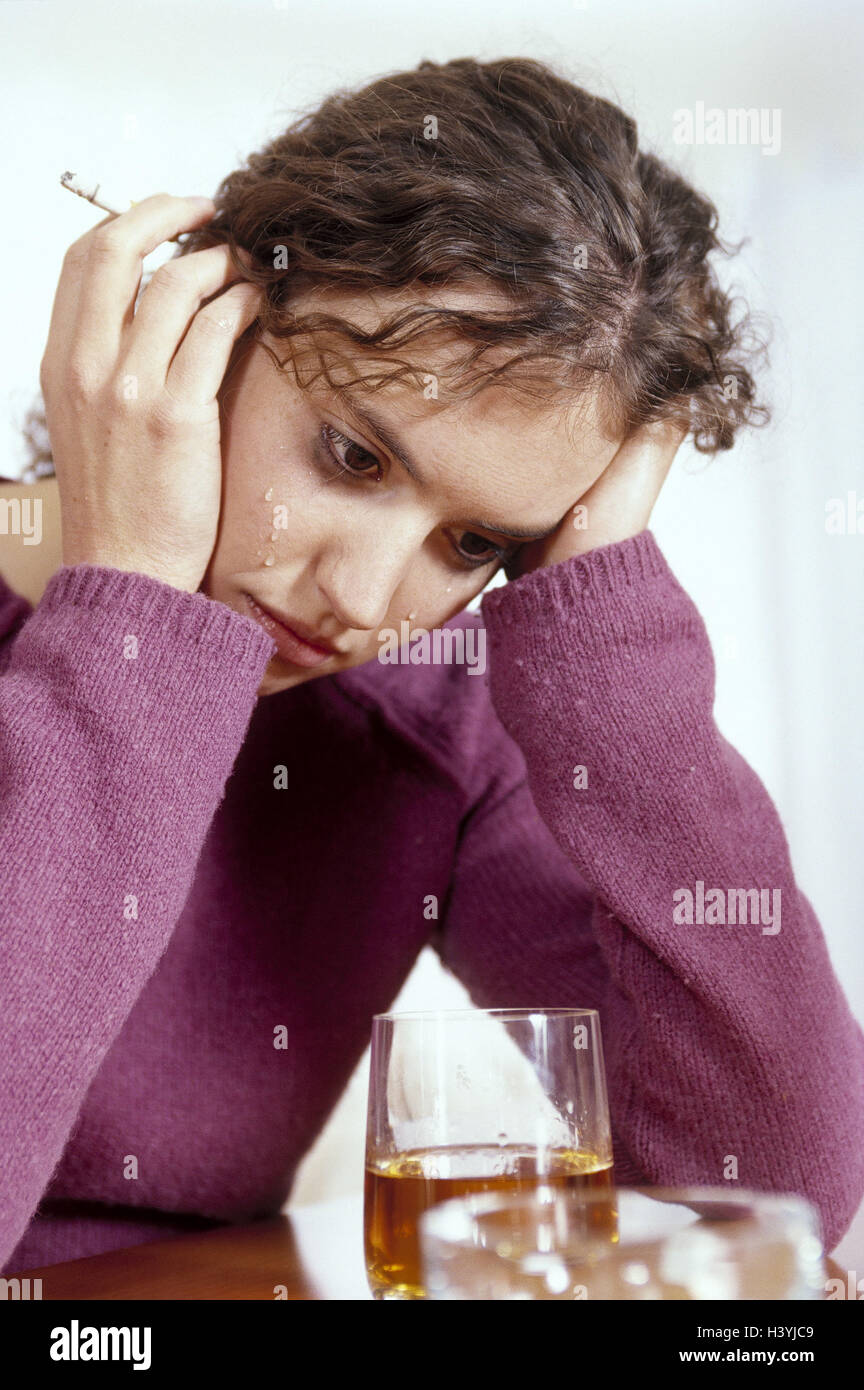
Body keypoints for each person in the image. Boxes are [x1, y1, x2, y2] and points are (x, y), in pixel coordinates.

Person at [2, 55, 862, 1276]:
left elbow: (765, 1198)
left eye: (474, 542)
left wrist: (606, 635)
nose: (361, 601)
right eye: (352, 455)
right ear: (191, 314)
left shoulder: (425, 729)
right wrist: (131, 616)